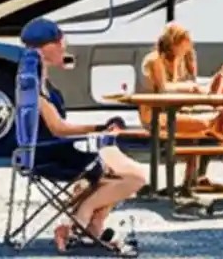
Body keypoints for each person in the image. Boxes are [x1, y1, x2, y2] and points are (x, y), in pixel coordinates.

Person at [21, 17, 149, 253]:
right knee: (135, 177)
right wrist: (98, 128)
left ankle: (92, 225)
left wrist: (99, 129)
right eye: (60, 41)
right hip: (52, 155)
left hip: (50, 150)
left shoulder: (32, 81)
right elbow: (58, 128)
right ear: (46, 47)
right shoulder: (35, 87)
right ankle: (79, 220)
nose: (65, 46)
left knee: (117, 163)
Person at [141, 24, 223, 188]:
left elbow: (192, 84)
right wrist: (190, 88)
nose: (189, 48)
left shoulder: (182, 60)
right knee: (209, 124)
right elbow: (164, 88)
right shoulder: (154, 60)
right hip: (156, 116)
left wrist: (219, 77)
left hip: (176, 111)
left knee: (214, 121)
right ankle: (192, 179)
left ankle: (193, 179)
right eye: (186, 44)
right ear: (174, 43)